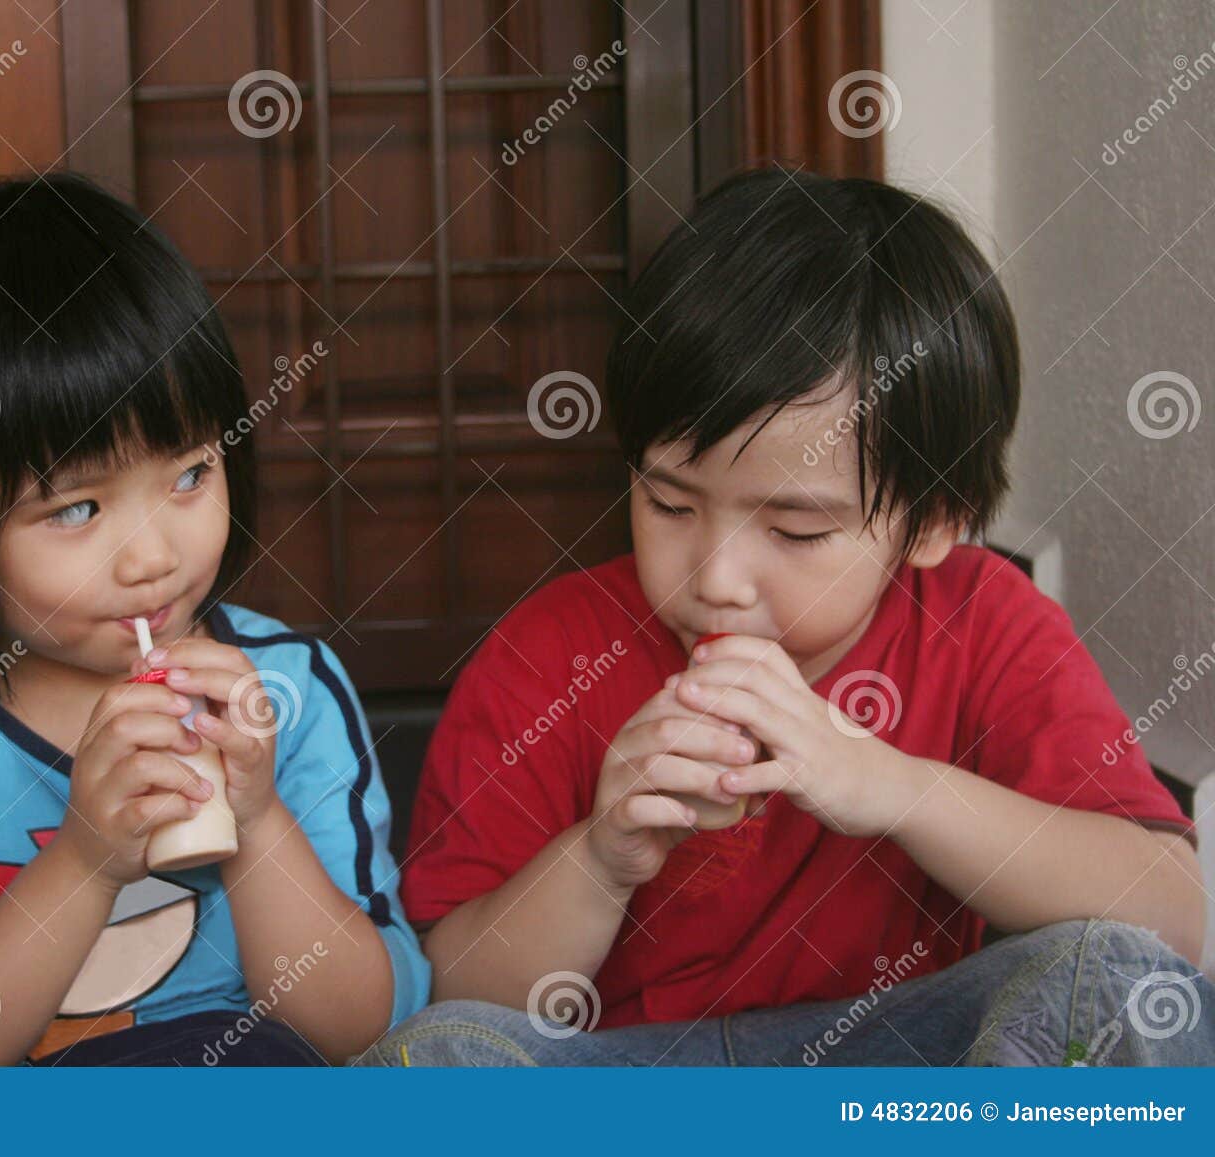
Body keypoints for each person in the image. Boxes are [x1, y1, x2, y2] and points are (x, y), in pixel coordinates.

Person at [356, 169, 1210, 1067]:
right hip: (625, 1082)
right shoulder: (549, 652)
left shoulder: (985, 623)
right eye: (670, 505)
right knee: (435, 1057)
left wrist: (893, 785)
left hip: (891, 1073)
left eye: (795, 527)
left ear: (935, 520)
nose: (717, 578)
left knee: (1113, 984)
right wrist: (602, 857)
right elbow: (455, 991)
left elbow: (1171, 911)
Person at [0, 173, 428, 1066]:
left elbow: (368, 1028)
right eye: (76, 510)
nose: (152, 558)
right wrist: (86, 862)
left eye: (189, 475)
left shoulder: (286, 690)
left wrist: (256, 818)